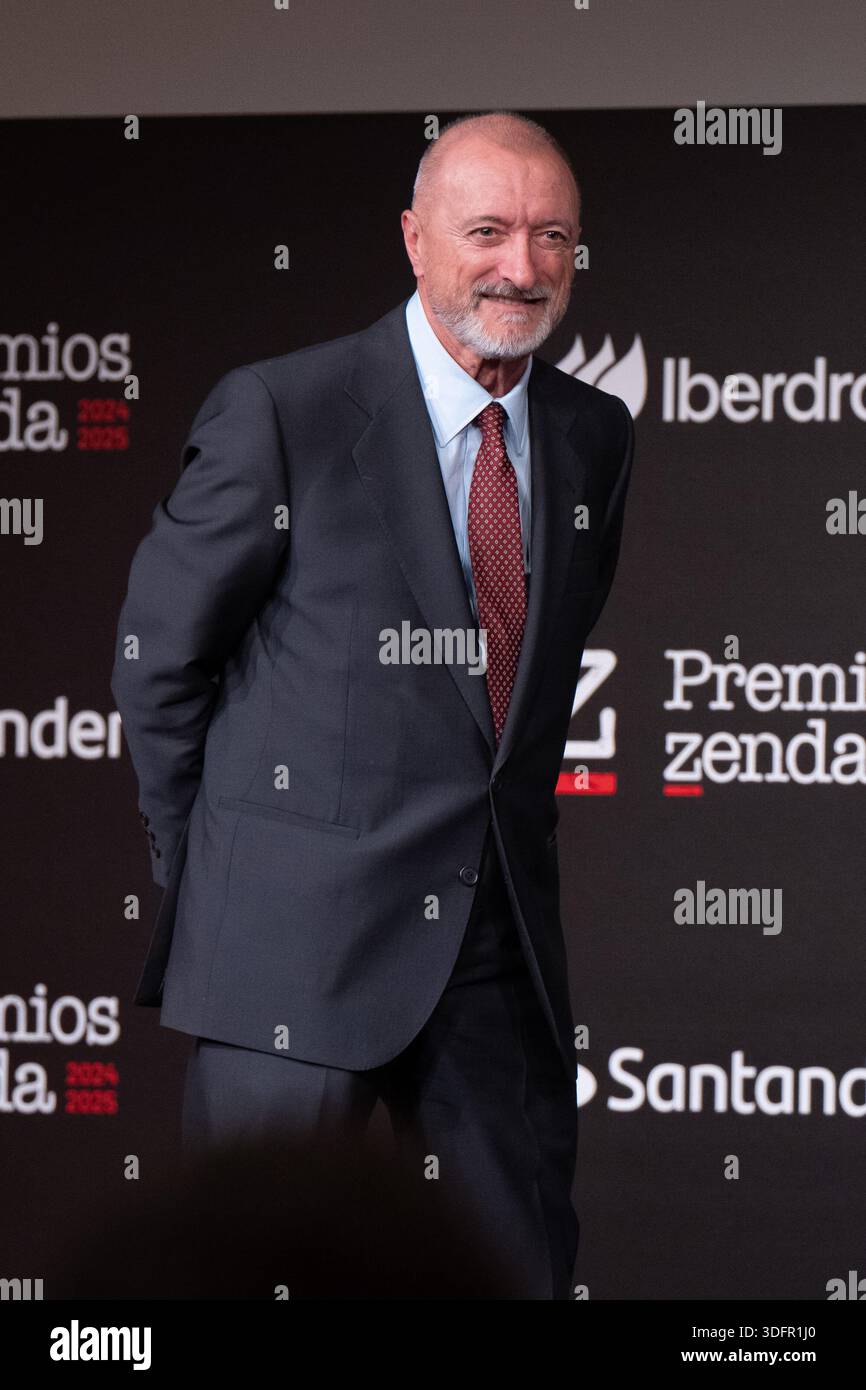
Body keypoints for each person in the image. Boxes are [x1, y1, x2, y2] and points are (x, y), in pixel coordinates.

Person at [110, 110, 635, 1300]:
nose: (520, 265)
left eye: (551, 235)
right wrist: (224, 881)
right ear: (413, 239)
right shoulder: (284, 413)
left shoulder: (591, 435)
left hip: (496, 956)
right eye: (487, 230)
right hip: (286, 958)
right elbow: (159, 663)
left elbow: (520, 691)